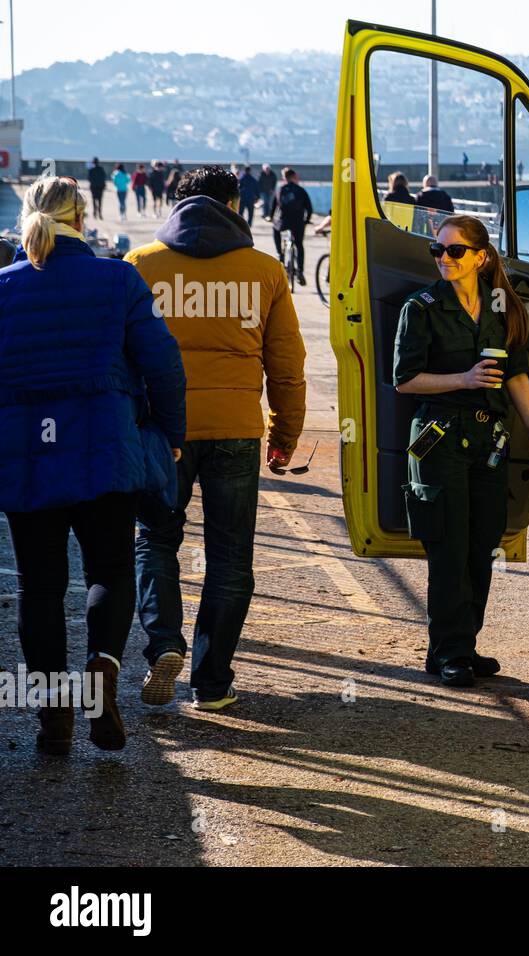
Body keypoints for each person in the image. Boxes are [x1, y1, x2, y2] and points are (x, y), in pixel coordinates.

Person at [0, 177, 187, 753]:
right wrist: (171, 435)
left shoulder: (4, 288)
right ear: (82, 219)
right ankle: (102, 670)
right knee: (109, 569)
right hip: (106, 446)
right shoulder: (118, 278)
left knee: (40, 586)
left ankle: (53, 716)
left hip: (26, 453)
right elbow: (162, 362)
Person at [126, 165, 307, 710]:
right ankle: (211, 680)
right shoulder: (264, 271)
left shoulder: (140, 267)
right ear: (234, 203)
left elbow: (120, 355)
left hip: (163, 429)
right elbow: (288, 365)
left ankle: (163, 643)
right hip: (235, 429)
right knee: (230, 555)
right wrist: (285, 432)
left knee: (155, 540)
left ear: (176, 204)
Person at [392, 215, 529, 687]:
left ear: (480, 257)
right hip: (438, 438)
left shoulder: (501, 308)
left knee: (481, 546)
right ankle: (450, 651)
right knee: (448, 548)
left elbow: (517, 374)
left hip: (489, 441)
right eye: (437, 251)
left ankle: (460, 645)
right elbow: (404, 380)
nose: (444, 258)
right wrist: (462, 379)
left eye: (455, 251)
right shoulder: (420, 308)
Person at [270, 167, 313, 286]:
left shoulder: (280, 190)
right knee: (299, 245)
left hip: (283, 222)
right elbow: (309, 208)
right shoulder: (301, 190)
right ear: (294, 177)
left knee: (275, 229)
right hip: (298, 223)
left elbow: (274, 207)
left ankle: (280, 254)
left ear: (284, 178)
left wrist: (271, 217)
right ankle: (300, 271)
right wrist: (307, 220)